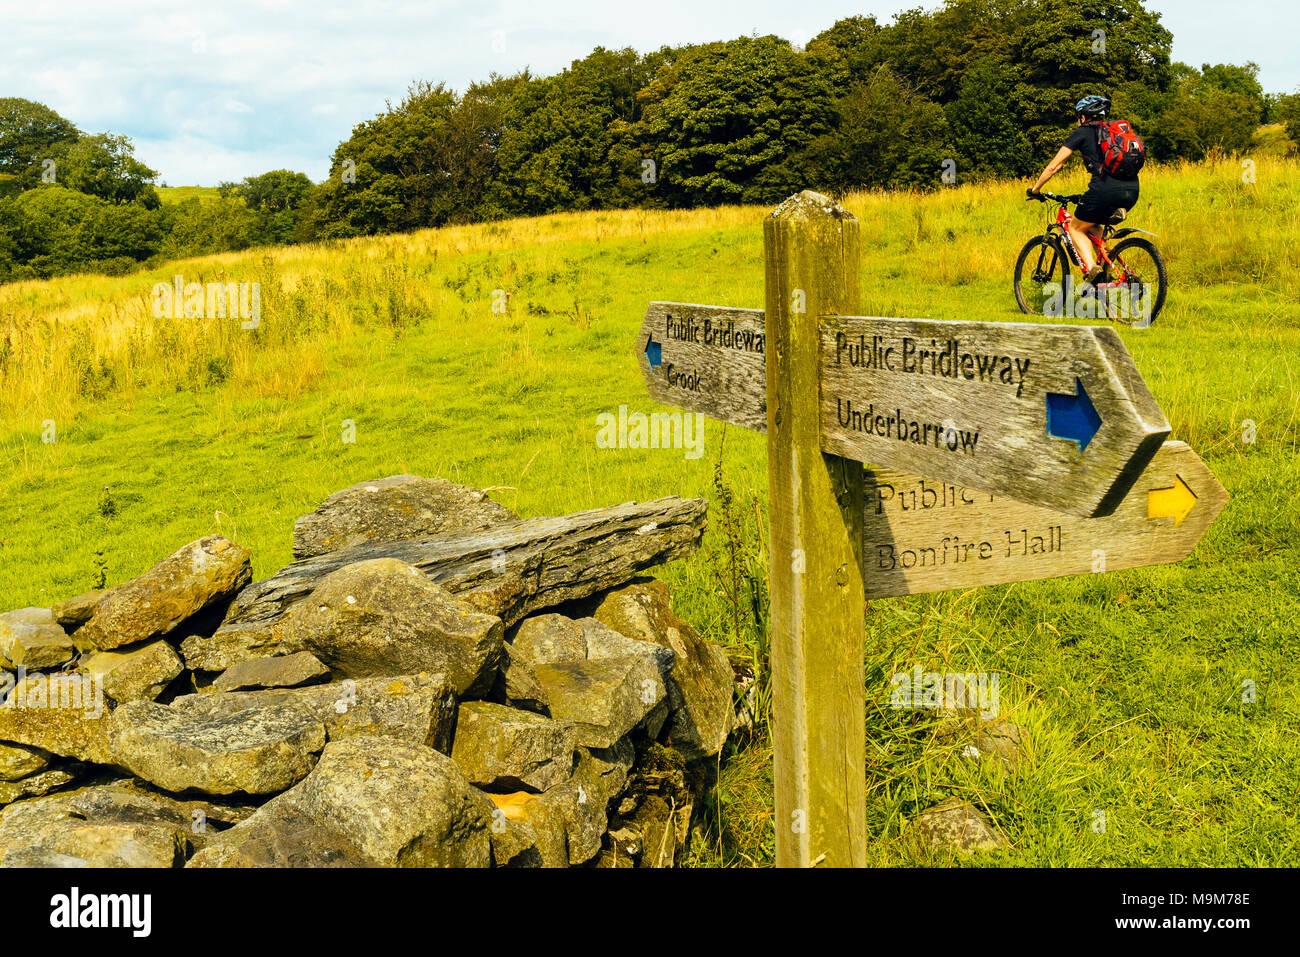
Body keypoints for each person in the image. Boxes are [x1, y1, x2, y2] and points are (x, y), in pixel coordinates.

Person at [1027, 94, 1140, 286]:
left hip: (1104, 189)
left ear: (1083, 116)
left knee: (1075, 228)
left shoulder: (1082, 132)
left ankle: (1092, 269)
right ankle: (1107, 273)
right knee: (1093, 226)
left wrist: (1036, 189)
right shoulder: (1113, 132)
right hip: (1132, 190)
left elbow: (1055, 165)